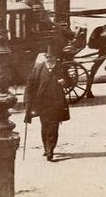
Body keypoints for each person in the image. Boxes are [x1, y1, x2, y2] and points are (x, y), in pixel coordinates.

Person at [23, 31, 71, 162]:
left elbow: (70, 82)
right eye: (47, 57)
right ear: (45, 57)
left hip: (56, 103)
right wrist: (27, 101)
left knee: (54, 127)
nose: (50, 60)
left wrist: (65, 82)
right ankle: (46, 147)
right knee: (44, 126)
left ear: (56, 58)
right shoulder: (38, 69)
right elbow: (30, 86)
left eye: (52, 58)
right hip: (42, 103)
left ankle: (50, 150)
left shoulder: (61, 68)